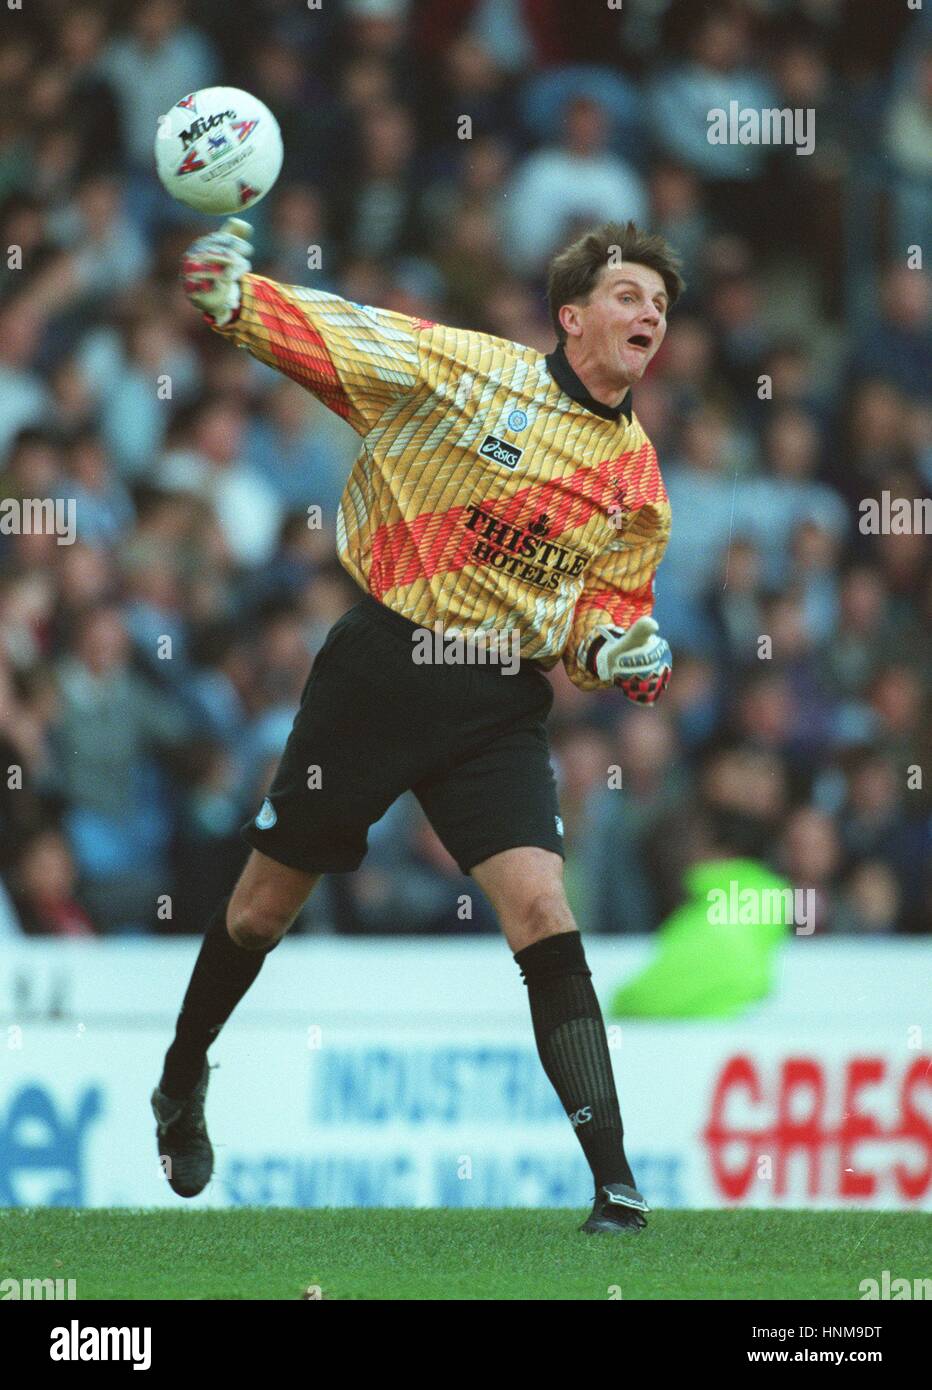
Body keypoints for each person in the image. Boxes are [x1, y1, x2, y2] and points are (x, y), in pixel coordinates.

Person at [151, 217, 681, 1235]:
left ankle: (614, 1185)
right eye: (626, 294)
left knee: (541, 910)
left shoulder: (638, 480)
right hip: (383, 667)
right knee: (262, 911)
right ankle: (180, 1078)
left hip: (499, 701)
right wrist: (233, 300)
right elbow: (339, 338)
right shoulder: (465, 369)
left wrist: (617, 653)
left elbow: (605, 611)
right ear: (570, 315)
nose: (647, 311)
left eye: (658, 302)